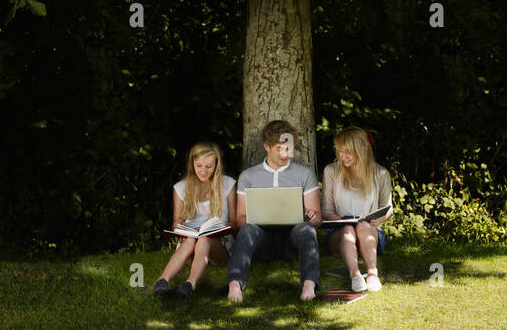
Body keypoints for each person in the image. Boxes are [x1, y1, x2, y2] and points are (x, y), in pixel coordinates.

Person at [227, 119, 321, 303]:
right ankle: (235, 284)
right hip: (262, 242)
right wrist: (262, 215)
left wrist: (309, 216)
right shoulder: (249, 176)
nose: (285, 154)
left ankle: (309, 284)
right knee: (247, 229)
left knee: (307, 229)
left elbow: (317, 219)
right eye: (279, 148)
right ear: (267, 147)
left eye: (288, 148)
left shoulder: (305, 174)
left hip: (292, 241)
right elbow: (240, 219)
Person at [152, 142, 237, 298]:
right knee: (192, 239)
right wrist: (179, 225)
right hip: (190, 245)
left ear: (216, 165)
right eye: (199, 166)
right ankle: (162, 281)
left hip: (218, 245)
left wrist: (219, 230)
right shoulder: (180, 188)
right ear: (192, 164)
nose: (203, 171)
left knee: (203, 239)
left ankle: (190, 284)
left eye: (209, 167)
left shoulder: (227, 184)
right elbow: (176, 221)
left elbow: (235, 222)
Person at [321, 128, 393, 292]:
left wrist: (379, 220)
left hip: (369, 229)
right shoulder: (331, 171)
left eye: (348, 153)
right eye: (340, 152)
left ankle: (373, 273)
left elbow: (388, 209)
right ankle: (355, 276)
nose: (342, 156)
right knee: (348, 229)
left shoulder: (380, 173)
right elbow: (326, 209)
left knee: (363, 226)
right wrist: (339, 220)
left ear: (361, 151)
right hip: (339, 230)